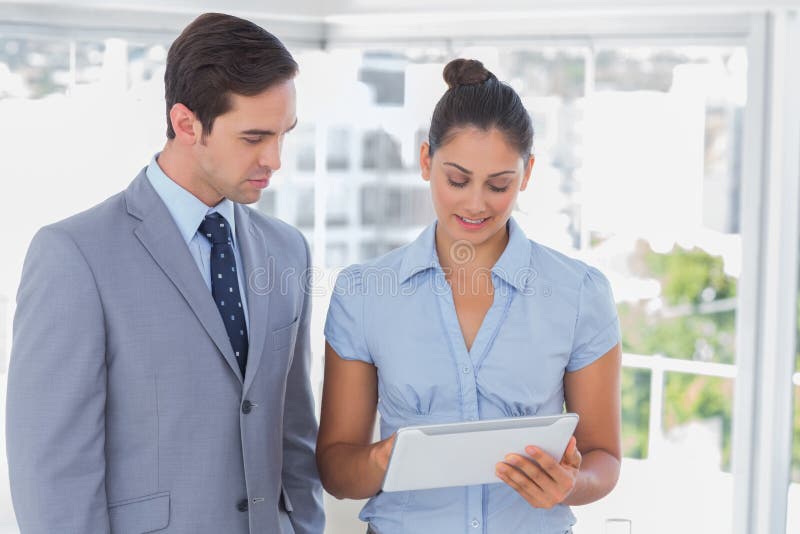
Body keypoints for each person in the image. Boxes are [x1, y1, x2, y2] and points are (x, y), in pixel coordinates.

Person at [6, 13, 324, 534]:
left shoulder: (286, 251)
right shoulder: (74, 256)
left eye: (283, 134)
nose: (275, 159)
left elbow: (293, 430)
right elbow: (52, 477)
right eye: (253, 137)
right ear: (186, 123)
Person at [316, 58, 621, 533]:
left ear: (527, 174)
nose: (476, 203)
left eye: (499, 185)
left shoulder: (580, 294)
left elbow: (604, 457)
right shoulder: (363, 295)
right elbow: (337, 469)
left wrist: (570, 484)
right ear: (425, 161)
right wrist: (386, 459)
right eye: (457, 180)